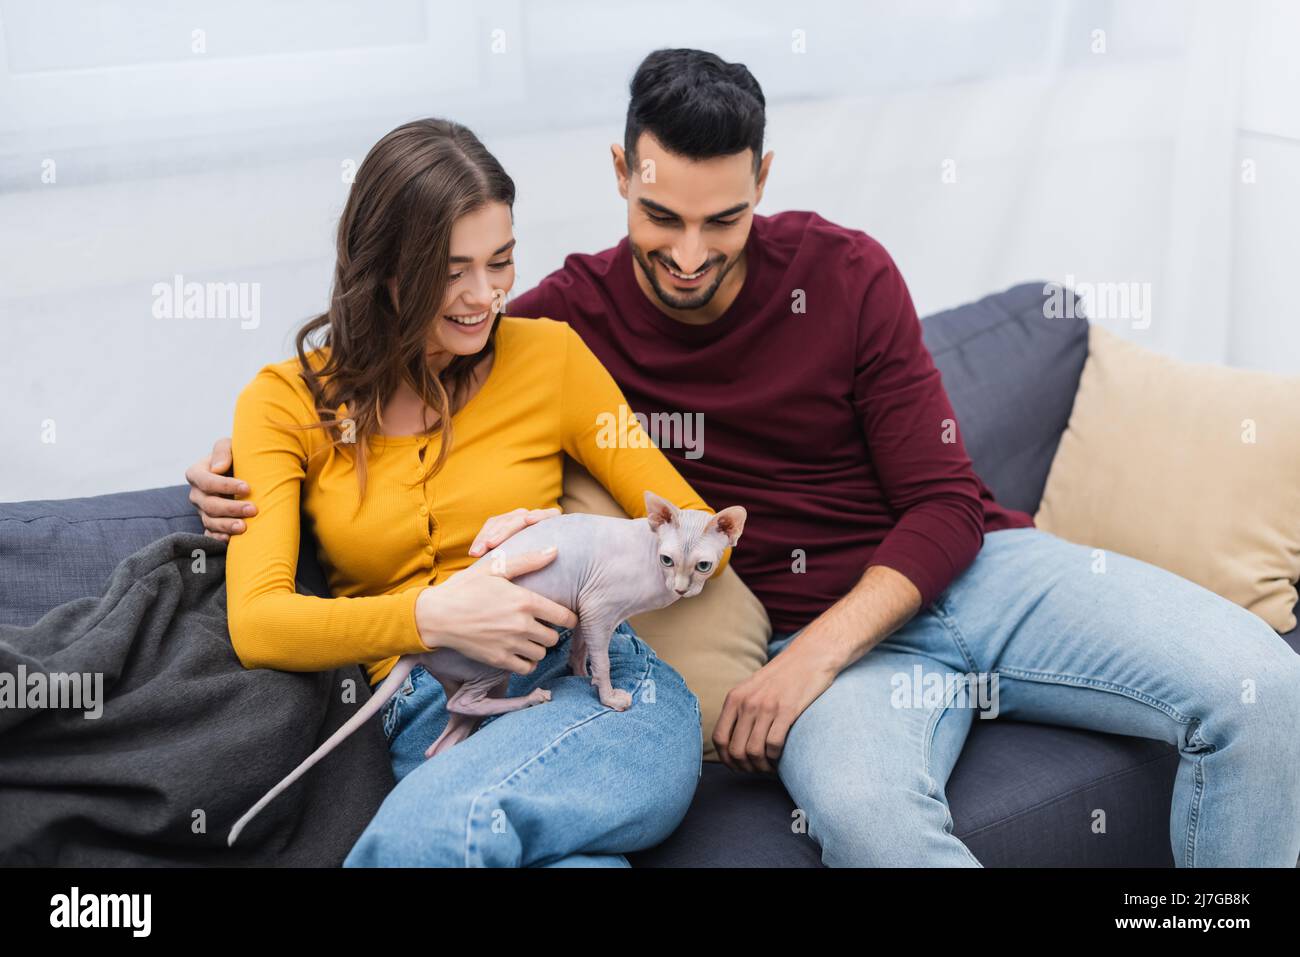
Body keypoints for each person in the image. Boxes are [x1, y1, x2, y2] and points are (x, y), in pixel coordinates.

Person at [193, 50, 1300, 866]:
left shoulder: (837, 275)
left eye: (721, 221)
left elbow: (935, 507)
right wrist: (256, 451)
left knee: (1267, 688)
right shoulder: (550, 322)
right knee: (872, 824)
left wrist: (799, 653)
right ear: (620, 171)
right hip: (836, 668)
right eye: (659, 214)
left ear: (762, 179)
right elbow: (415, 357)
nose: (686, 255)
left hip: (962, 584)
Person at [219, 116, 724, 867]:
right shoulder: (284, 403)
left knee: (428, 836)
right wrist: (428, 613)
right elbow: (259, 624)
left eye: (501, 261)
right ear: (383, 266)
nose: (483, 296)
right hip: (436, 718)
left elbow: (689, 523)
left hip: (603, 693)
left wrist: (566, 526)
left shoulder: (550, 357)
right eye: (451, 270)